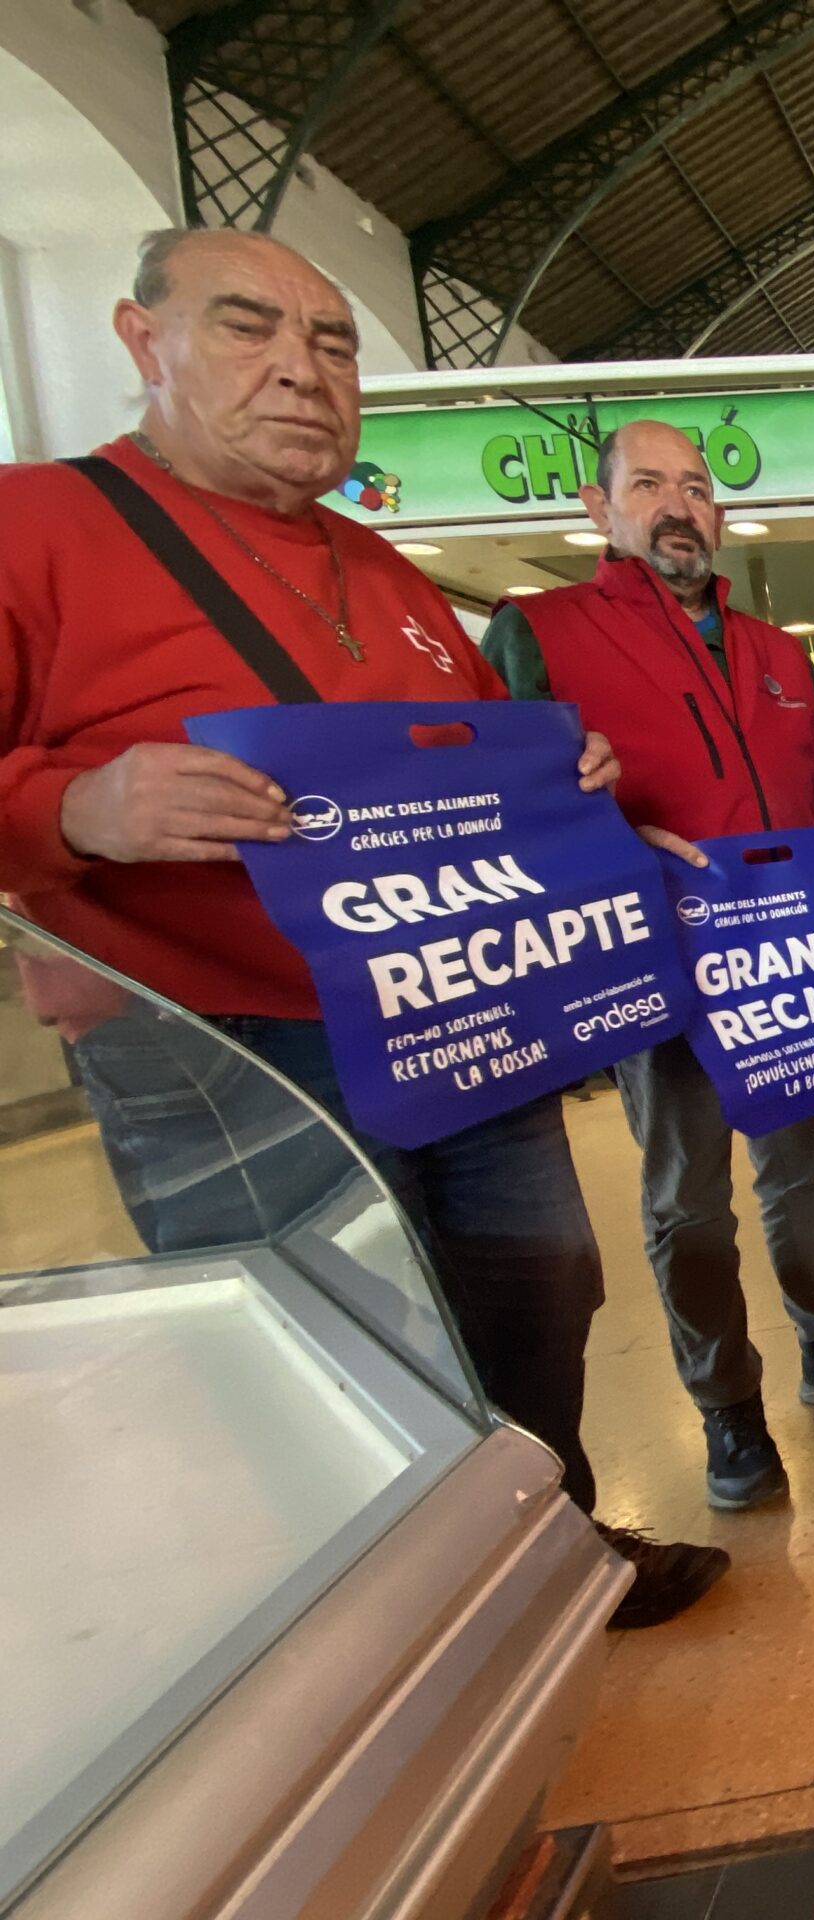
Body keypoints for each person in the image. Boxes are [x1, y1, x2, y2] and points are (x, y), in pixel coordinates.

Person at [0, 229, 723, 1627]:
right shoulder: (35, 527)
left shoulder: (385, 576)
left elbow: (460, 793)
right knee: (335, 1344)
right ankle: (398, 1624)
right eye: (246, 327)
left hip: (455, 1010)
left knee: (543, 1277)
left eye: (332, 344)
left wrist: (568, 803)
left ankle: (544, 1544)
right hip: (225, 1045)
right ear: (142, 342)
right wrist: (71, 805)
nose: (302, 370)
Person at [483, 420, 814, 1510]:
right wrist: (611, 847)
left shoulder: (779, 655)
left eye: (693, 487)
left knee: (803, 1172)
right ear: (599, 510)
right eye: (647, 485)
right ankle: (726, 1406)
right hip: (658, 964)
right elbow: (503, 804)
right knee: (687, 1199)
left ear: (717, 516)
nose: (676, 505)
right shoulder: (536, 634)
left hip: (787, 964)